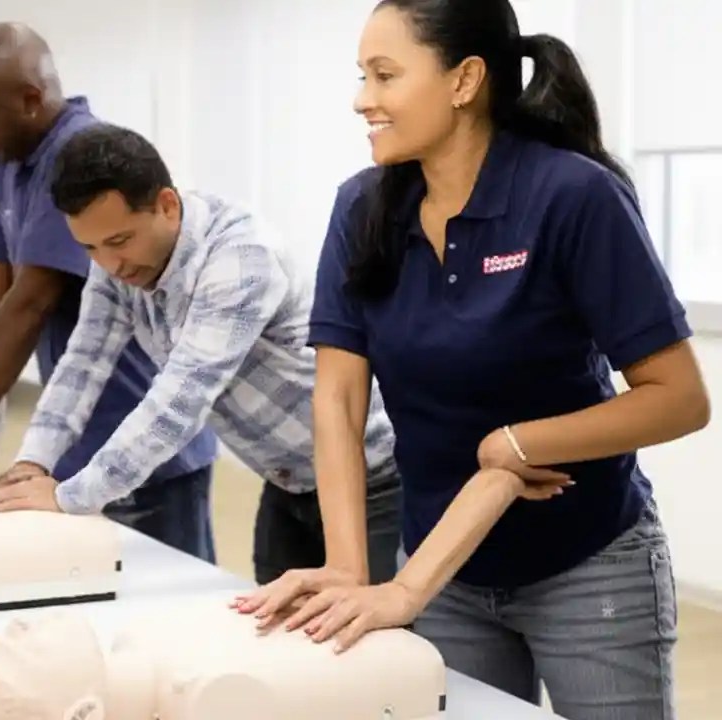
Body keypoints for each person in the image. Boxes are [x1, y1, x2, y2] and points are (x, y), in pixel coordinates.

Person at [234, 1, 710, 718]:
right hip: (442, 570)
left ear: (465, 80)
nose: (363, 99)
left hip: (587, 562)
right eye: (362, 76)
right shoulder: (361, 208)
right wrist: (347, 564)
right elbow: (336, 398)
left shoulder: (572, 195)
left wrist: (516, 445)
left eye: (385, 75)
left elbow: (679, 396)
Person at [0, 123, 403, 583]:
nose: (110, 264)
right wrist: (31, 463)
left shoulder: (239, 259)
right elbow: (82, 364)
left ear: (167, 206)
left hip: (372, 481)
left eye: (119, 241)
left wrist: (69, 496)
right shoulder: (116, 268)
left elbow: (178, 403)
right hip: (286, 482)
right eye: (89, 248)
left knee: (380, 641)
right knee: (280, 630)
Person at [0, 23, 220, 562]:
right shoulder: (14, 161)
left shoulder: (77, 155)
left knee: (174, 608)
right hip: (81, 437)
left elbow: (29, 302)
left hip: (146, 443)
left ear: (29, 100)